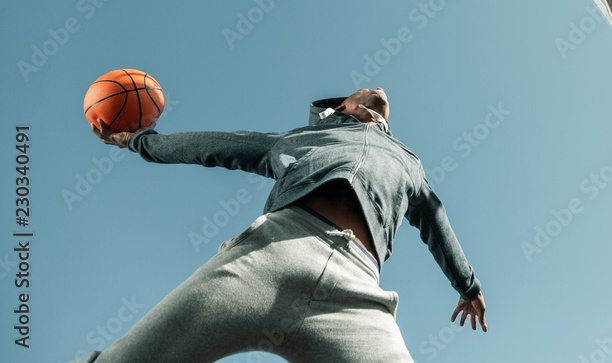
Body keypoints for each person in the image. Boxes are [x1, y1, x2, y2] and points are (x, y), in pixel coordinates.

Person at [76, 87, 487, 362]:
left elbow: (435, 219)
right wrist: (138, 140)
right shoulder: (294, 140)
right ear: (341, 107)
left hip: (356, 288)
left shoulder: (408, 161)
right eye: (363, 89)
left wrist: (468, 286)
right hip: (269, 256)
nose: (377, 88)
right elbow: (213, 145)